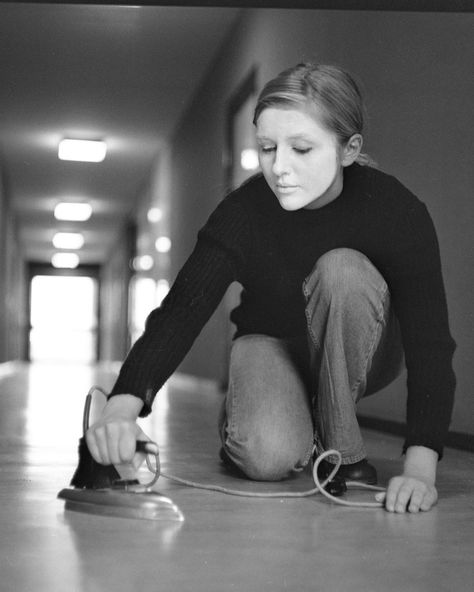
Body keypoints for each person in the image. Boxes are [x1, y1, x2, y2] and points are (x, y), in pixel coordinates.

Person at [86, 63, 456, 513]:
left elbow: (430, 343)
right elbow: (183, 310)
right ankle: (257, 416)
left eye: (301, 148)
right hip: (272, 344)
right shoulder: (244, 212)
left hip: (364, 349)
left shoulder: (396, 211)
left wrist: (420, 468)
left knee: (342, 268)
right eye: (266, 147)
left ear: (348, 149)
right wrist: (124, 405)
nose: (279, 168)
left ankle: (345, 452)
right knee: (265, 456)